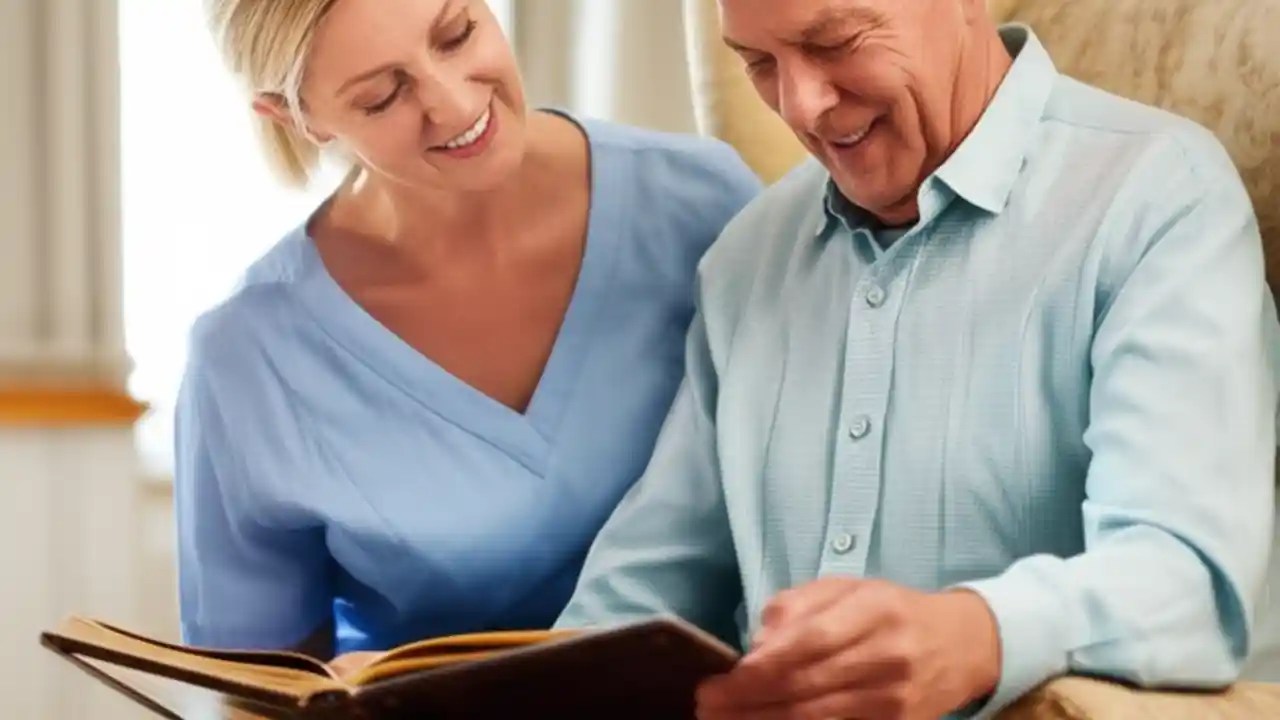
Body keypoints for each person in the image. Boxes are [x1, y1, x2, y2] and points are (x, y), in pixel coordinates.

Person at [554, 0, 1280, 718]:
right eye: (759, 63)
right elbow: (636, 600)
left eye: (837, 42)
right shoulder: (746, 257)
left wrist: (974, 637)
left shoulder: (1159, 199)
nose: (802, 106)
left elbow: (1190, 583)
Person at [174, 0, 762, 663]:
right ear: (297, 117)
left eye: (457, 35)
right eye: (382, 95)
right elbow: (258, 689)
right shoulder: (250, 361)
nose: (453, 106)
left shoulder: (705, 204)